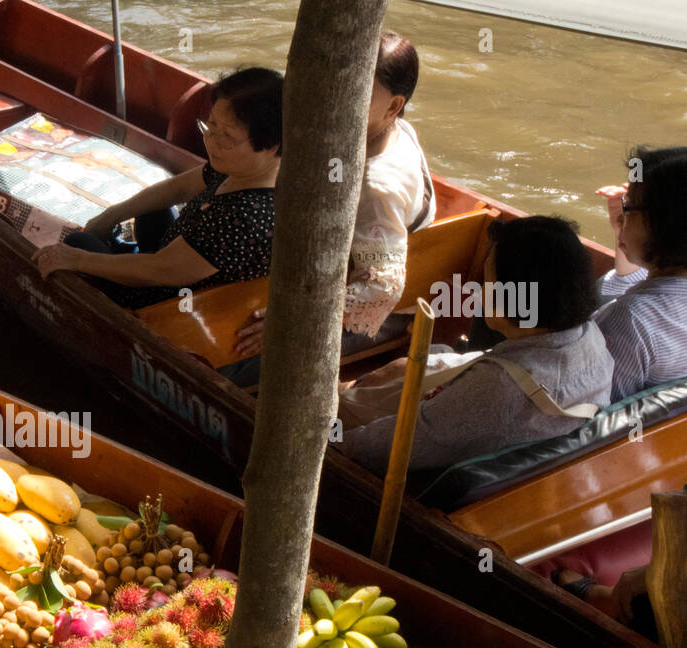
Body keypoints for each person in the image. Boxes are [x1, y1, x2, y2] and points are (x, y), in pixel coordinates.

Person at [228, 31, 434, 385]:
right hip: (347, 273)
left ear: (393, 105)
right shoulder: (393, 128)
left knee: (233, 368)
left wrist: (293, 317)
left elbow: (383, 287)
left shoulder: (375, 185)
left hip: (376, 317)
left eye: (358, 92)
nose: (337, 101)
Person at [338, 216, 612, 474]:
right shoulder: (593, 339)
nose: (479, 291)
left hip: (410, 461)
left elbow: (378, 447)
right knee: (440, 354)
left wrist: (329, 438)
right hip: (491, 434)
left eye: (488, 281)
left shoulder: (497, 389)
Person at [31, 67, 282, 310]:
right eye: (211, 127)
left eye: (227, 137)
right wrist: (111, 215)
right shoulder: (237, 169)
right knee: (151, 209)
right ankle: (124, 257)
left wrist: (78, 259)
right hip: (175, 258)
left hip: (170, 304)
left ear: (270, 145)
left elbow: (161, 270)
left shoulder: (245, 218)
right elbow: (178, 188)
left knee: (78, 242)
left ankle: (118, 267)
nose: (211, 142)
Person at [591, 146, 687, 401]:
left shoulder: (628, 321)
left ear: (663, 224)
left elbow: (602, 413)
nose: (621, 217)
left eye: (629, 208)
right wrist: (623, 234)